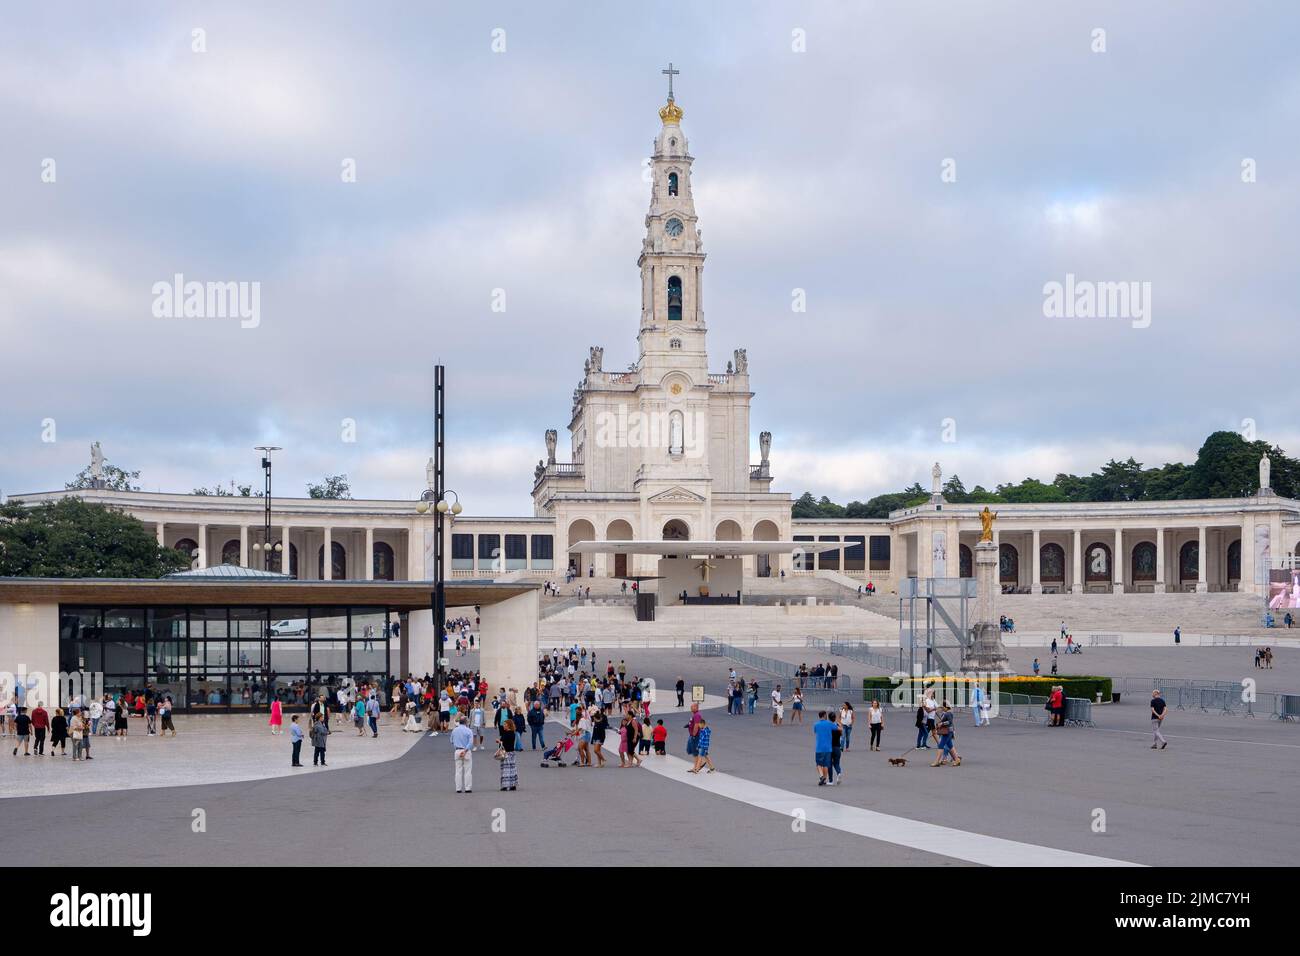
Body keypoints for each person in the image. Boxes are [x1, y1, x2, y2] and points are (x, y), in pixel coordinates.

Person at [932, 702, 961, 766]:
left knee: (941, 745)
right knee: (950, 746)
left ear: (945, 707)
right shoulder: (947, 713)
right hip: (948, 731)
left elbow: (950, 722)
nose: (942, 709)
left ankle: (937, 761)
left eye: (942, 707)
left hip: (947, 731)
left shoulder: (948, 713)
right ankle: (957, 759)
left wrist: (942, 724)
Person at [496, 713, 519, 791]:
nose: (504, 725)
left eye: (505, 724)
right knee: (512, 769)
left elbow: (504, 743)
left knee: (505, 769)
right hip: (511, 752)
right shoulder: (512, 733)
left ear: (509, 725)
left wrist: (499, 741)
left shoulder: (507, 733)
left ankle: (505, 785)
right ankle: (513, 785)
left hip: (506, 753)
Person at [813, 710, 835, 785]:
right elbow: (838, 728)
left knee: (818, 764)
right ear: (824, 715)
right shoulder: (829, 723)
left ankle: (821, 776)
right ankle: (824, 779)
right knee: (826, 764)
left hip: (819, 747)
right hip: (828, 747)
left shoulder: (816, 724)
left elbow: (815, 732)